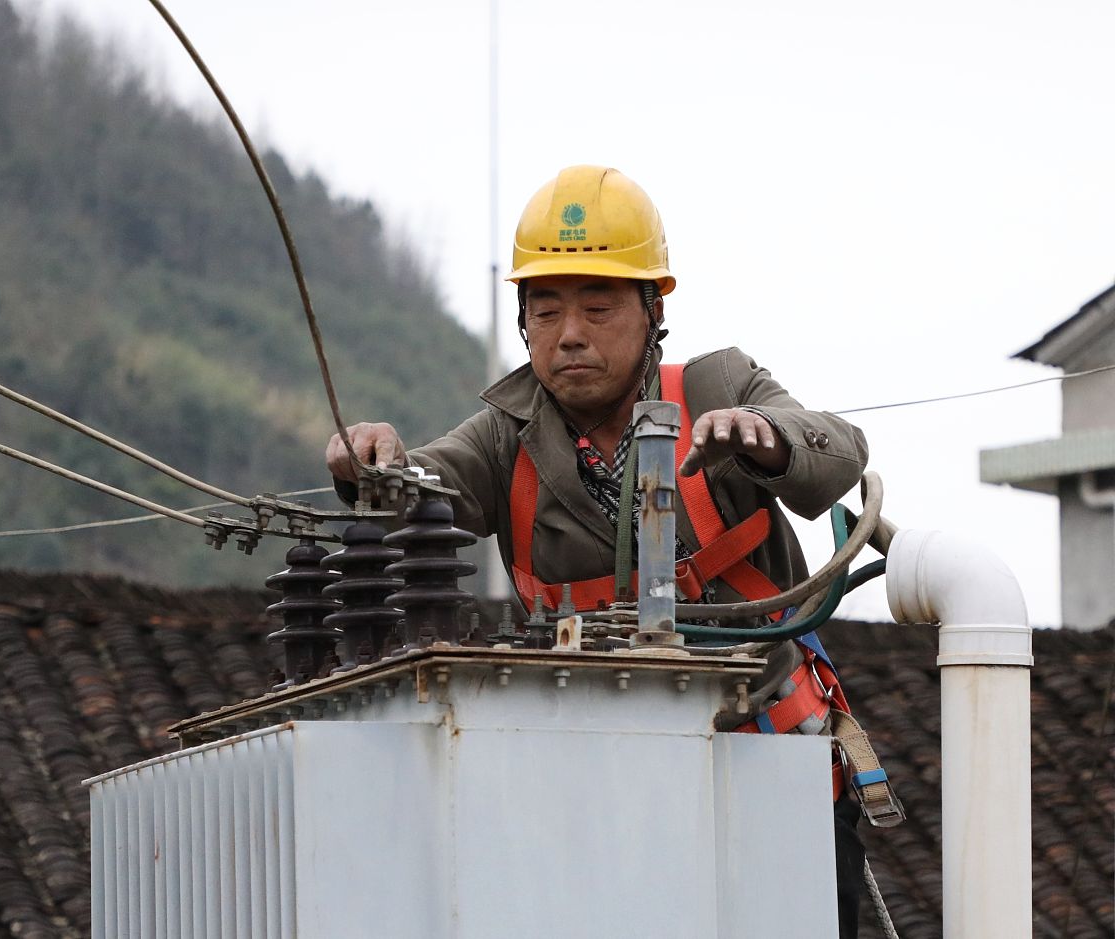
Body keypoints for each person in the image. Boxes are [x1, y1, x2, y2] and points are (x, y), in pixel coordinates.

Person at [326, 165, 870, 936]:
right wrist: (373, 464)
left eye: (598, 305)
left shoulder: (718, 387)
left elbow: (841, 451)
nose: (569, 333)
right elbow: (423, 482)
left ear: (653, 308)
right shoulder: (503, 438)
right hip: (604, 801)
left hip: (770, 776)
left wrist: (770, 439)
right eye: (545, 309)